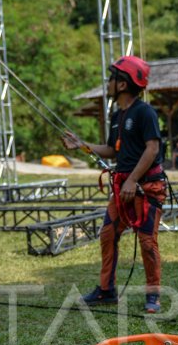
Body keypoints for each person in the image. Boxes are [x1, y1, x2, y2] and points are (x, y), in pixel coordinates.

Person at [63, 56, 169, 314]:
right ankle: (106, 290)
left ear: (122, 85)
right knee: (108, 234)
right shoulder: (117, 115)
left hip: (145, 188)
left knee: (147, 241)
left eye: (112, 78)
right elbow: (112, 149)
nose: (108, 82)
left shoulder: (144, 112)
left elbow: (152, 148)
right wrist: (82, 145)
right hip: (123, 188)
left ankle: (153, 295)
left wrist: (133, 179)